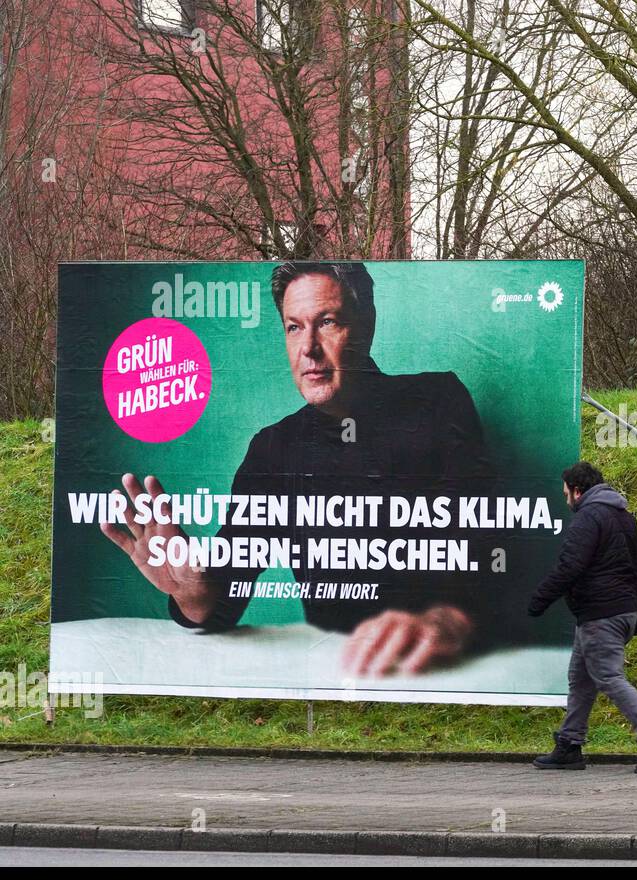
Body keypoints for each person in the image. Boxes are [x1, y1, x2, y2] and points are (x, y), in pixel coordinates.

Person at [100, 261, 494, 676]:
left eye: (326, 322)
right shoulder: (273, 450)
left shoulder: (438, 402)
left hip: (452, 672)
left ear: (367, 325)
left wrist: (444, 620)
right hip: (337, 678)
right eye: (293, 327)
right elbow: (224, 597)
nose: (308, 347)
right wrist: (194, 594)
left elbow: (486, 547)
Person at [528, 462, 637, 773]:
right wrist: (636, 617)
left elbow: (570, 566)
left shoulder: (588, 517)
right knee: (582, 679)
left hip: (601, 612)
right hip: (619, 609)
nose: (566, 500)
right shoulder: (623, 516)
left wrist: (539, 600)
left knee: (609, 677)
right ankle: (569, 745)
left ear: (578, 490)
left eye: (566, 493)